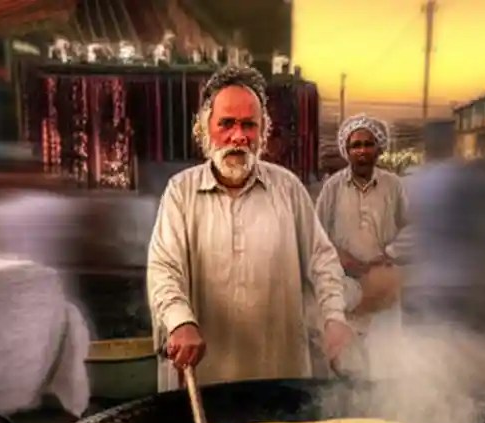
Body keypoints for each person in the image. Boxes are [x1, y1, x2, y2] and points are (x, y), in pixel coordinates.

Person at [146, 65, 354, 389]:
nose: (238, 136)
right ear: (204, 128)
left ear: (263, 132)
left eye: (249, 125)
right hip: (204, 380)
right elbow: (164, 268)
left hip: (279, 374)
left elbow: (322, 261)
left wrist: (334, 318)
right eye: (226, 124)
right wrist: (179, 321)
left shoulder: (287, 188)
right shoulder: (180, 192)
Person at [313, 114, 406, 375]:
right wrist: (344, 260)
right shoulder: (332, 187)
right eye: (356, 145)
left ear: (379, 149)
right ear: (347, 150)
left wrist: (389, 256)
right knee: (346, 362)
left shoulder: (393, 185)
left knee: (385, 361)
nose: (362, 151)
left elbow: (408, 227)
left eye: (368, 144)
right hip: (345, 285)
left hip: (382, 286)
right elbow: (316, 234)